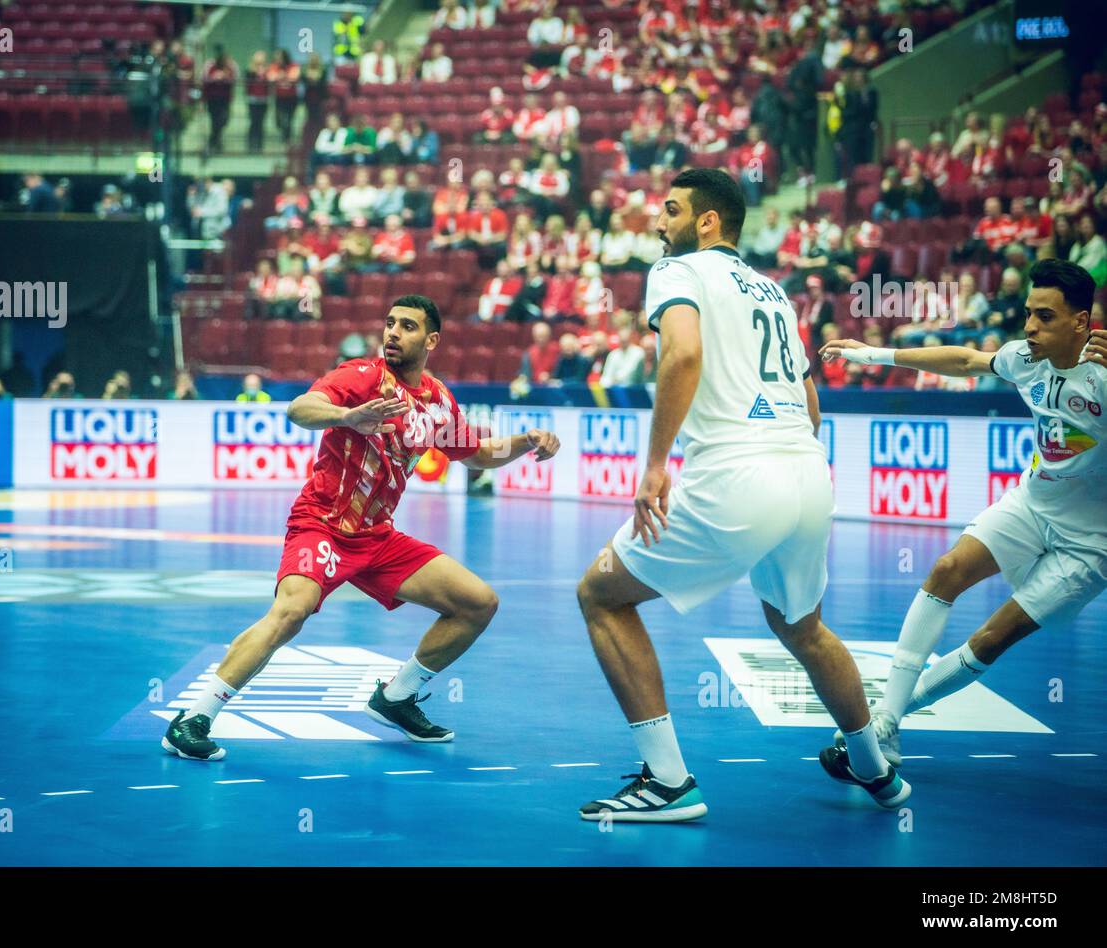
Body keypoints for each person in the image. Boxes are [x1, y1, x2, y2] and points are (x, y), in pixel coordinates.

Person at [575, 169, 911, 823]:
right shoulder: (776, 293)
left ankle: (669, 784)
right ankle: (874, 767)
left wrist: (653, 467)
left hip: (736, 477)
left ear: (707, 221)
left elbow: (681, 358)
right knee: (801, 626)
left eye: (671, 210)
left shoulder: (680, 272)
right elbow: (810, 401)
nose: (659, 221)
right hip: (807, 474)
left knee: (600, 596)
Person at [161, 295, 561, 760]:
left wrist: (525, 441)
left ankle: (395, 698)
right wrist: (347, 417)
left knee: (477, 603)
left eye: (407, 326)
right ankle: (194, 718)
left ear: (431, 340)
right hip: (323, 523)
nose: (393, 332)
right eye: (389, 323)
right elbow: (300, 409)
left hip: (377, 537)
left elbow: (475, 455)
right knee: (292, 612)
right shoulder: (363, 377)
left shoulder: (436, 401)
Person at [819, 259, 1107, 766]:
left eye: (1045, 317)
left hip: (1090, 543)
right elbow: (967, 362)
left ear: (1081, 322)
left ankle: (893, 716)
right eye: (1028, 313)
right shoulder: (1026, 358)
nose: (1029, 327)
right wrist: (878, 353)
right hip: (1032, 503)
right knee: (946, 569)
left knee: (991, 638)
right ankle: (883, 726)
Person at [202, 45, 238, 154]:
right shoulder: (210, 65)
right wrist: (214, 77)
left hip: (225, 98)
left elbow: (235, 79)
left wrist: (225, 77)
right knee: (214, 120)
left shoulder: (230, 67)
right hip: (212, 98)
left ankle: (213, 141)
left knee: (223, 119)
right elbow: (204, 78)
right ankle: (215, 142)